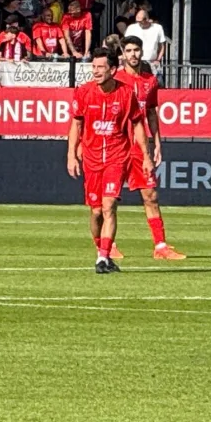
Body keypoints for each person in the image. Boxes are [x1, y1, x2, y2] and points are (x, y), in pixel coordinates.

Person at [66, 47, 148, 274]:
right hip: (91, 159)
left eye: (100, 67)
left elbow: (138, 123)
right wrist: (71, 154)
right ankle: (101, 250)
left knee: (109, 205)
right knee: (96, 212)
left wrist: (146, 156)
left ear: (113, 69)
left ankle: (103, 257)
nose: (95, 71)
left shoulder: (126, 93)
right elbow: (76, 124)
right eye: (93, 67)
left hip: (117, 157)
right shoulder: (83, 92)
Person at [115, 36, 185, 261]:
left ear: (141, 52)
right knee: (111, 197)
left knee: (151, 195)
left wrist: (157, 142)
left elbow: (152, 113)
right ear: (122, 54)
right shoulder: (115, 79)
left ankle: (160, 246)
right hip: (116, 144)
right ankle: (108, 245)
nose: (133, 54)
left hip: (140, 146)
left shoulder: (149, 81)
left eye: (136, 50)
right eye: (129, 50)